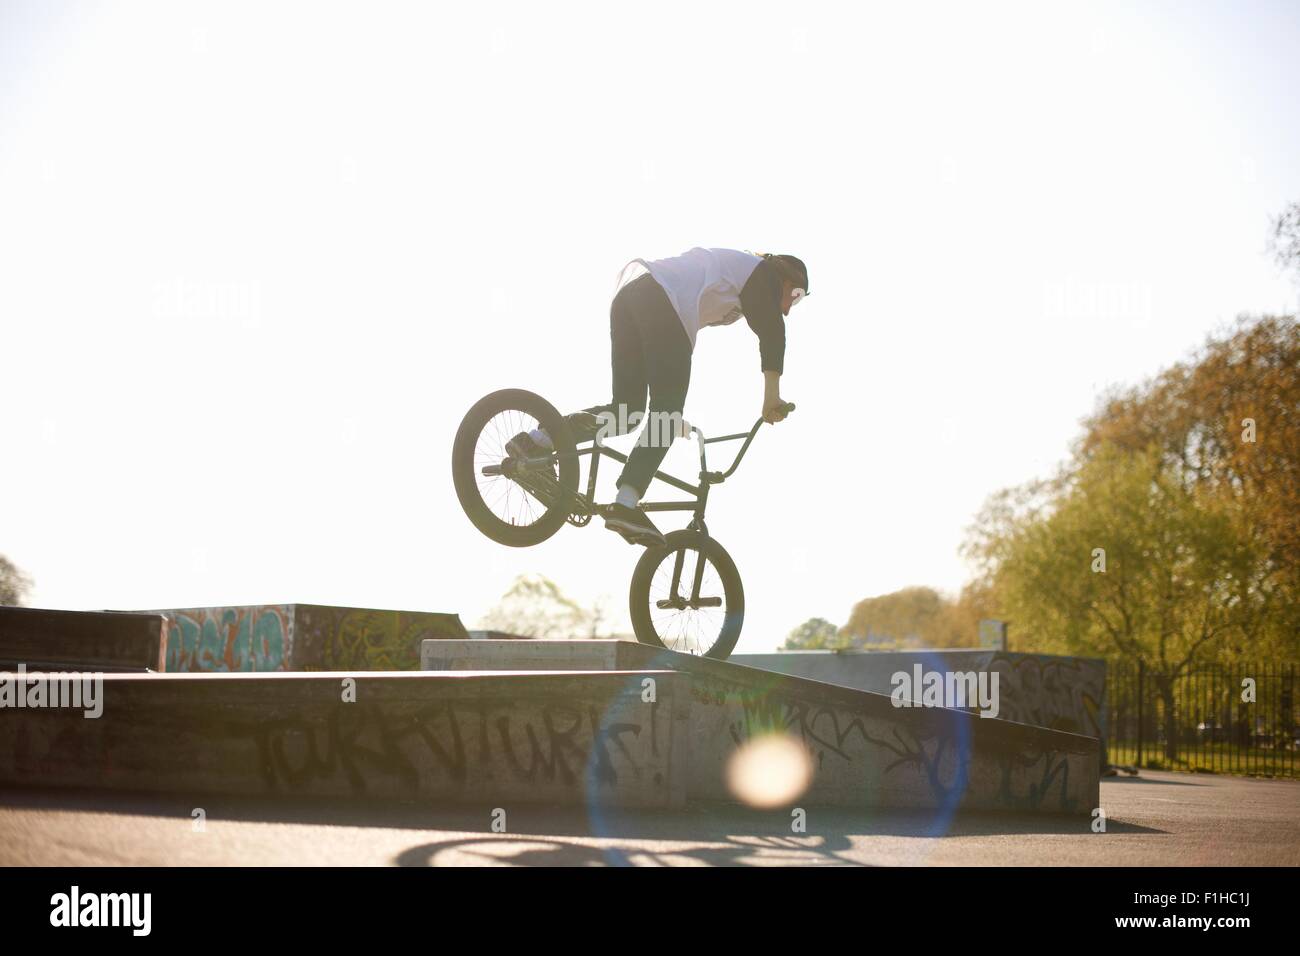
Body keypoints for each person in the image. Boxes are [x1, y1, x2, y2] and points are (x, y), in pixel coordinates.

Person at [507, 246, 809, 545]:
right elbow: (772, 332)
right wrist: (772, 396)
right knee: (666, 414)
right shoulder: (760, 273)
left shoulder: (736, 277)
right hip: (659, 302)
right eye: (794, 296)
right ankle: (626, 504)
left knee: (627, 412)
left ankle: (537, 441)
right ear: (782, 277)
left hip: (631, 297)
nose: (788, 308)